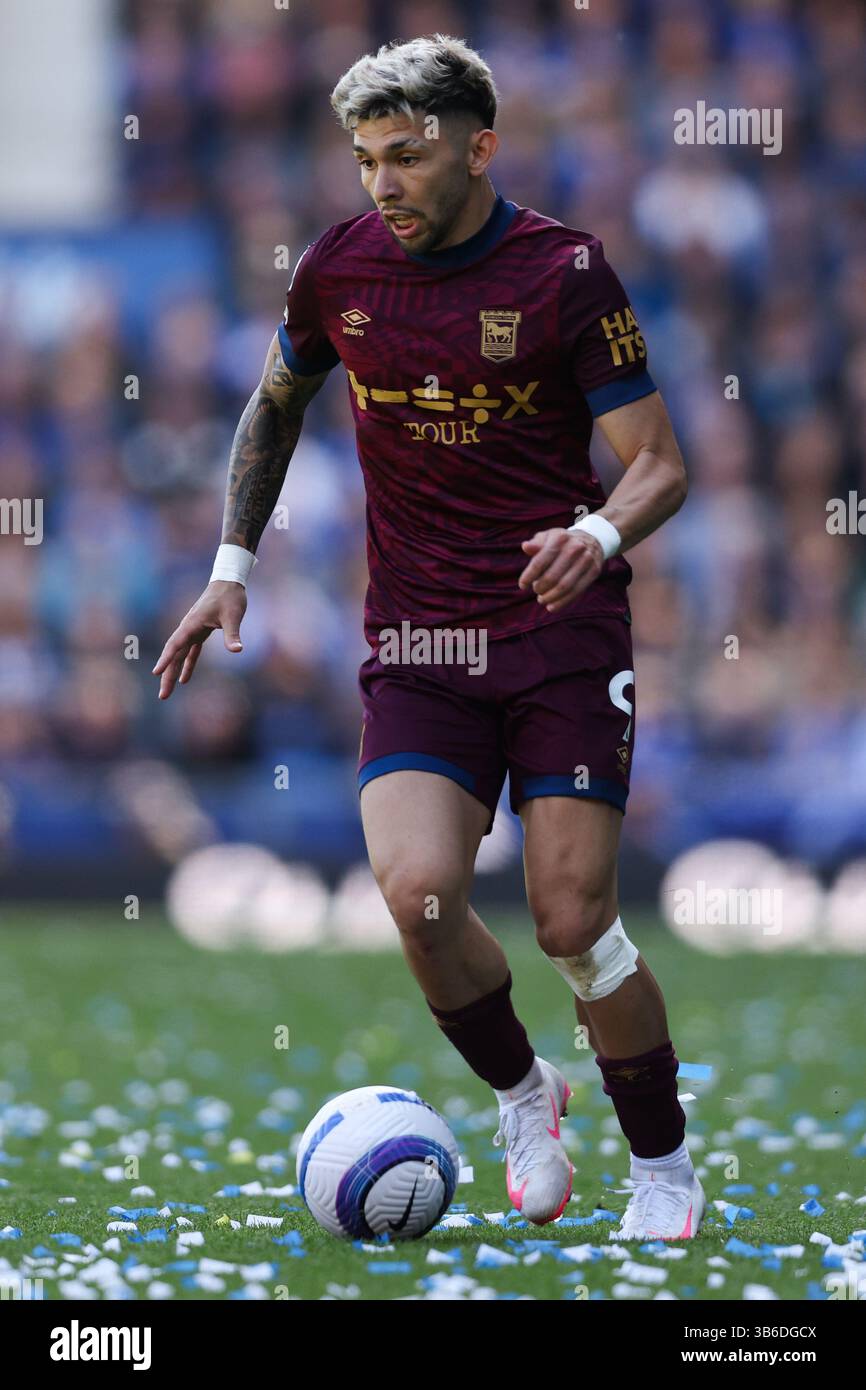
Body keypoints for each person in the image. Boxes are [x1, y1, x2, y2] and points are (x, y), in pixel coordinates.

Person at [154, 34, 701, 1238]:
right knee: (419, 898)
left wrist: (600, 538)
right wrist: (229, 569)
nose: (381, 183)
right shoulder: (339, 269)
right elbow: (276, 398)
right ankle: (522, 1093)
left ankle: (660, 1165)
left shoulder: (564, 271)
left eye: (405, 156)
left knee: (569, 920)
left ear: (478, 147)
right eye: (364, 160)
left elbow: (660, 463)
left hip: (559, 631)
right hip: (416, 639)